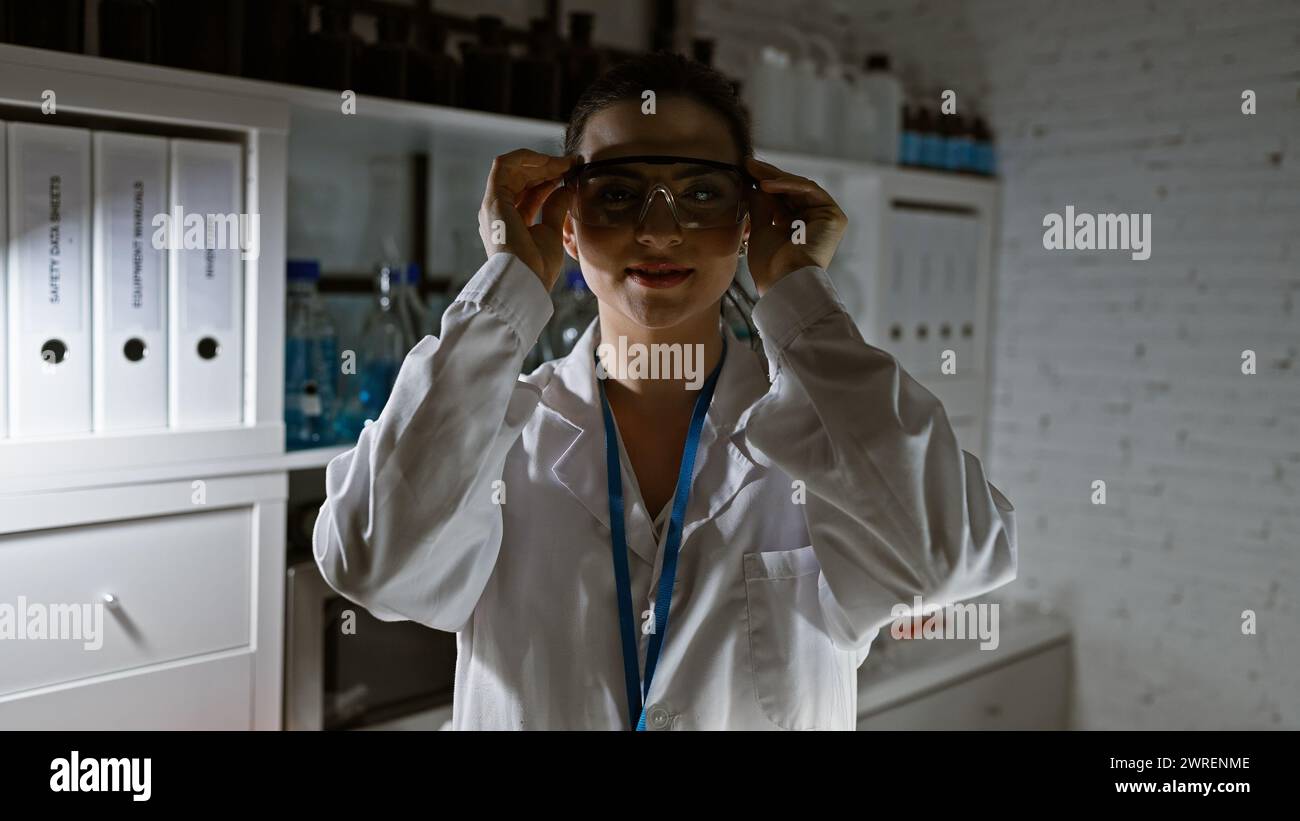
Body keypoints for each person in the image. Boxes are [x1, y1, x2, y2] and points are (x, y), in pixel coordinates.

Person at [313, 52, 1017, 730]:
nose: (658, 230)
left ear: (747, 223)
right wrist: (507, 287)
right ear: (566, 221)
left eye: (702, 194)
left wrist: (799, 292)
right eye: (617, 194)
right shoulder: (491, 441)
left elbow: (951, 560)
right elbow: (374, 562)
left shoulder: (825, 447)